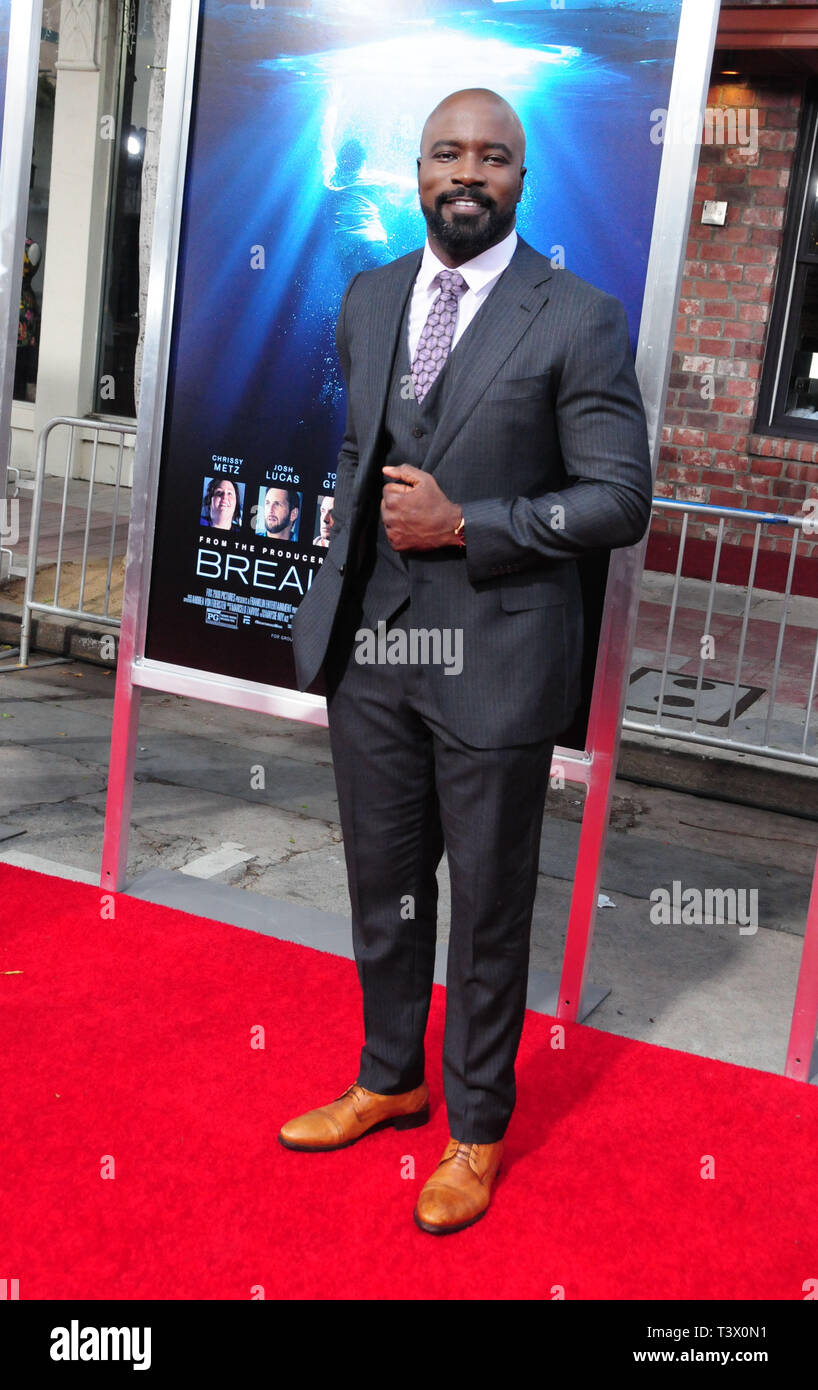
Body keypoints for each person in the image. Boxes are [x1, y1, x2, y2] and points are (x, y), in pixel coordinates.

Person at [282, 88, 652, 1235]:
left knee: (487, 907)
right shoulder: (371, 295)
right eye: (447, 152)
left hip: (496, 656)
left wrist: (465, 526)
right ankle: (389, 1076)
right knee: (382, 885)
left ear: (520, 180)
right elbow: (361, 451)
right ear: (417, 169)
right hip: (376, 648)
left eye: (492, 157)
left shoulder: (576, 316)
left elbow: (618, 499)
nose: (467, 172)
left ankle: (477, 1127)